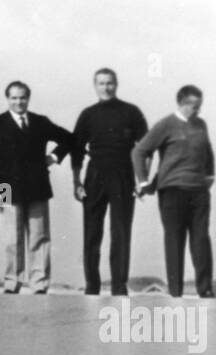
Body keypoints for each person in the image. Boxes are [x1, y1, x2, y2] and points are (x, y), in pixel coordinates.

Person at [0, 81, 74, 293]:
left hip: (37, 186)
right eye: (14, 98)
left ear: (28, 98)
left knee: (39, 237)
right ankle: (11, 283)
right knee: (11, 239)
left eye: (22, 97)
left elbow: (68, 138)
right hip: (5, 187)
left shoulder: (40, 122)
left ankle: (39, 283)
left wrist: (54, 157)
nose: (18, 102)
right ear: (7, 99)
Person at [131, 85, 216, 297]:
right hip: (172, 191)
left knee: (201, 240)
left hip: (199, 191)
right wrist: (143, 181)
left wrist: (209, 176)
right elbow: (139, 151)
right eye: (194, 106)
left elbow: (208, 152)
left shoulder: (201, 125)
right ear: (181, 103)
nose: (197, 111)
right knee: (175, 240)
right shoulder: (166, 124)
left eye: (199, 106)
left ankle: (205, 289)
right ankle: (176, 293)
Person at [71, 68, 149, 295]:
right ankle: (91, 286)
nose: (106, 87)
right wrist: (76, 182)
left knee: (121, 232)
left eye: (110, 83)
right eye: (101, 83)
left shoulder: (131, 112)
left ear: (116, 84)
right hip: (95, 175)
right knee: (91, 233)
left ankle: (119, 287)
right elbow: (77, 150)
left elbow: (146, 147)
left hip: (123, 175)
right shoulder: (88, 114)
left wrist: (142, 180)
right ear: (95, 86)